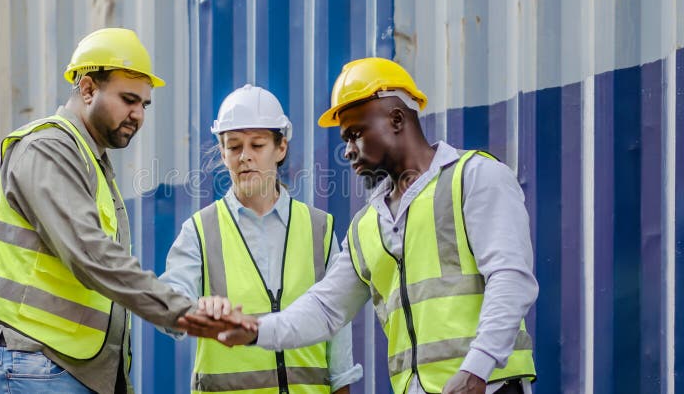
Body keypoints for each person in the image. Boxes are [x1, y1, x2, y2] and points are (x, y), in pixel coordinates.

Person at [193, 58, 538, 394]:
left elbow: (511, 279)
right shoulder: (367, 226)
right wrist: (254, 330)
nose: (347, 150)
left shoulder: (474, 178)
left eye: (356, 134)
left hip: (488, 386)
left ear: (397, 119)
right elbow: (324, 310)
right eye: (345, 138)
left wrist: (475, 369)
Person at [0, 28, 242, 394]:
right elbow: (90, 255)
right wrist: (182, 311)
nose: (138, 115)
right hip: (23, 358)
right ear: (87, 90)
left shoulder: (91, 165)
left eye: (144, 105)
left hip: (51, 363)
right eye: (128, 99)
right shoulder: (47, 149)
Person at [160, 84, 362, 393]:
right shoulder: (199, 231)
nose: (245, 157)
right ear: (222, 153)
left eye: (257, 145)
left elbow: (338, 333)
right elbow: (168, 307)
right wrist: (197, 308)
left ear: (281, 148)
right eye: (234, 146)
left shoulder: (319, 228)